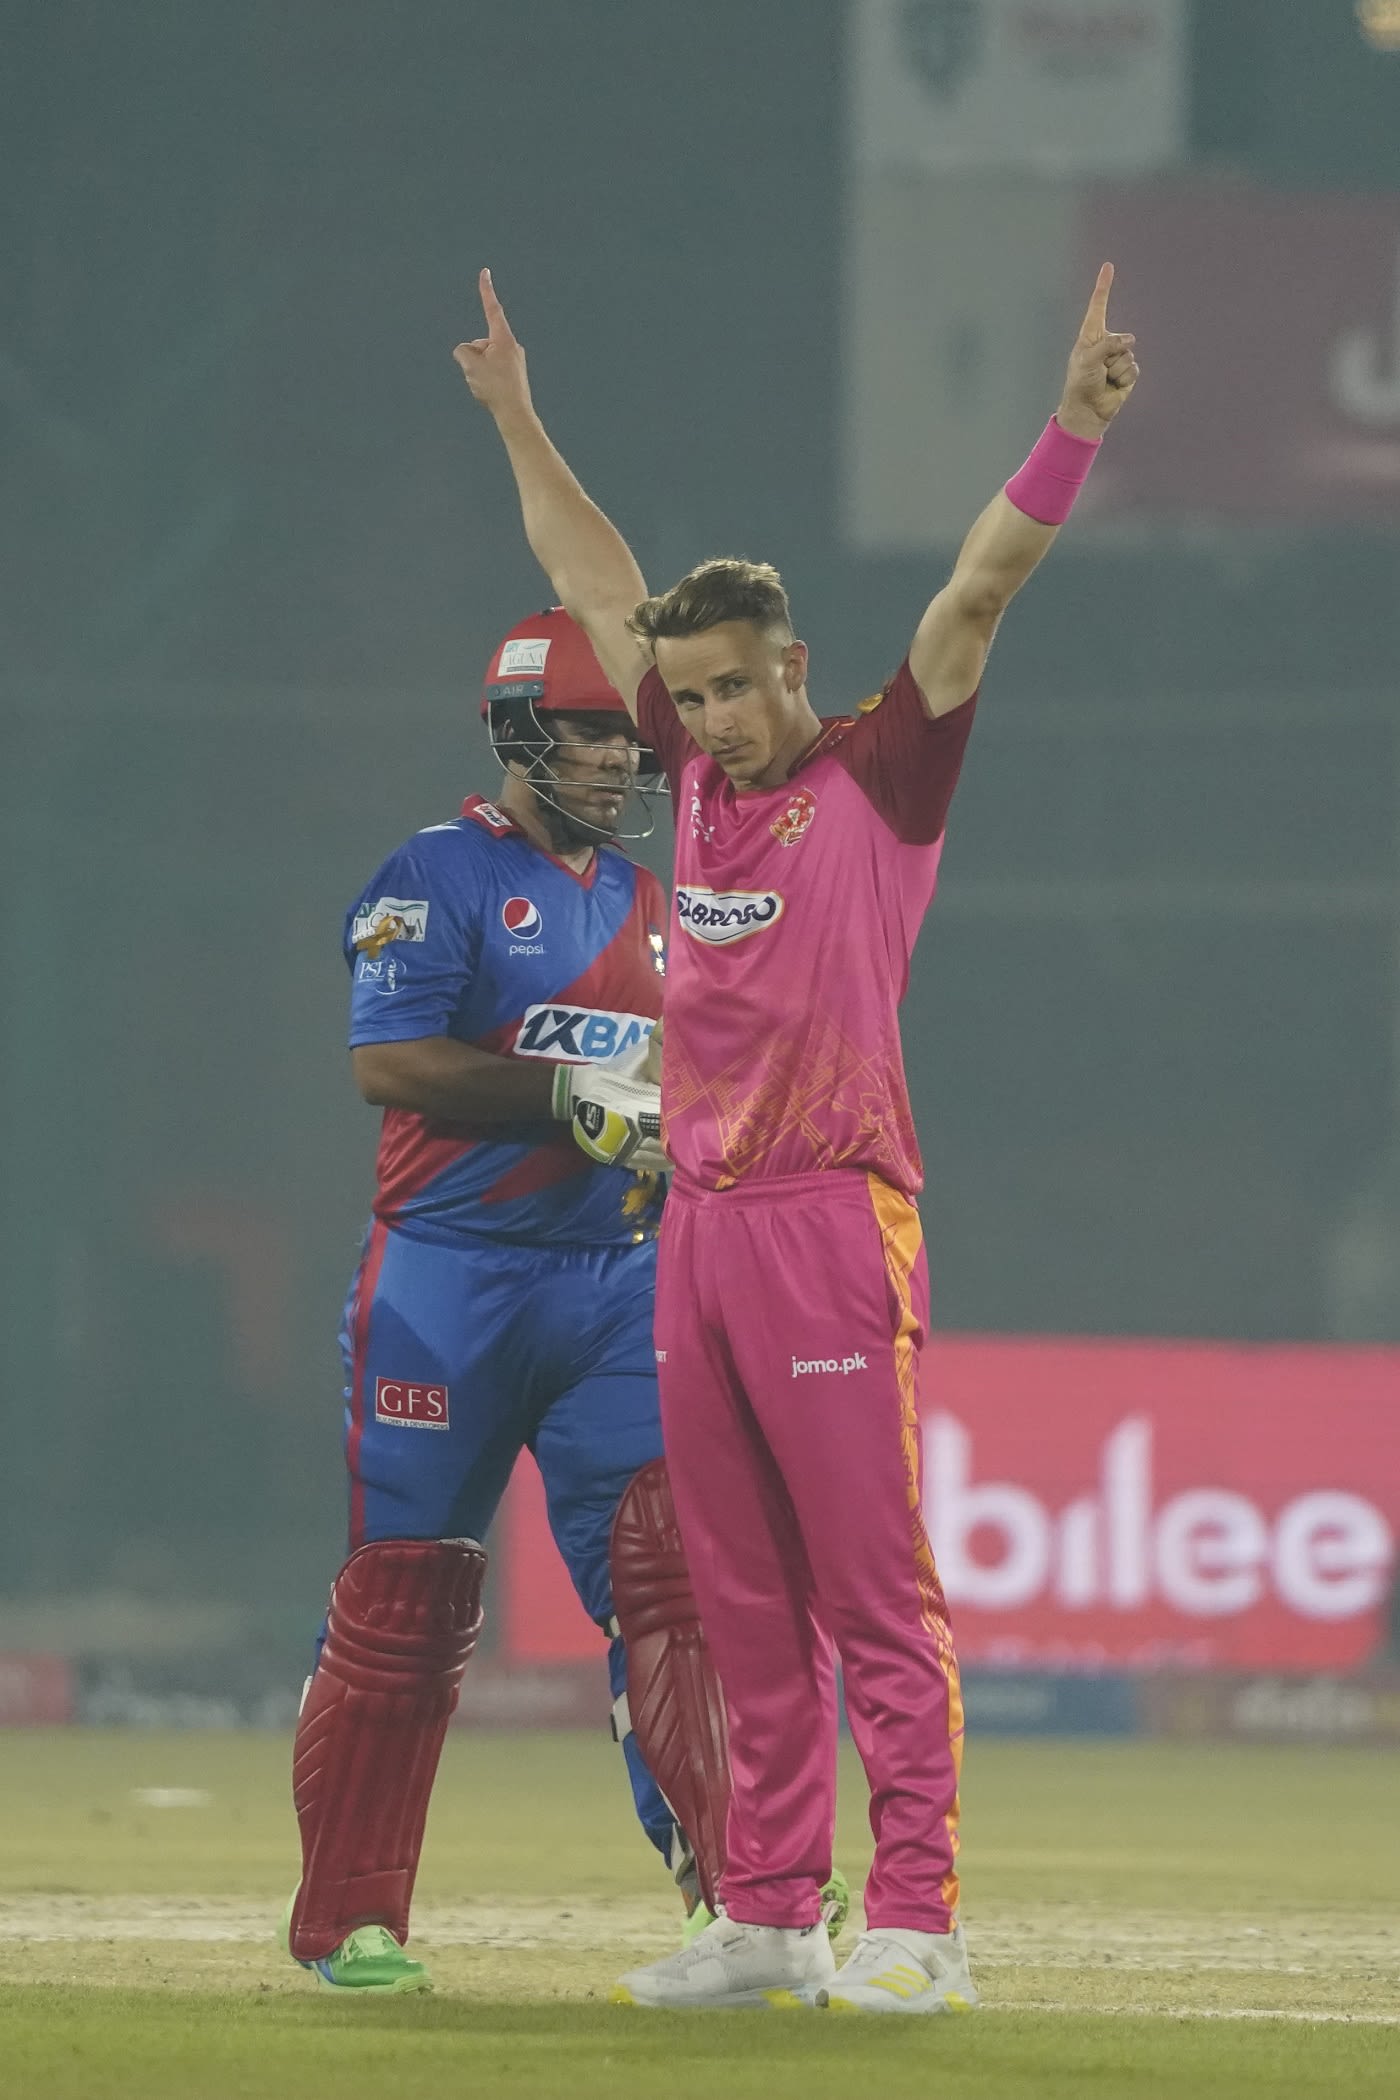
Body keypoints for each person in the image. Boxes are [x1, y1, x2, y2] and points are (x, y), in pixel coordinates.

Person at [455, 263, 1139, 2013]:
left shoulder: (881, 772)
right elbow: (588, 573)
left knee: (874, 1591)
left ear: (793, 671)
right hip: (696, 1224)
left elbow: (978, 590)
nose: (708, 719)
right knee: (740, 1597)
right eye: (686, 695)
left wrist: (1069, 430)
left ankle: (920, 1924)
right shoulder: (691, 777)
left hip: (835, 1217)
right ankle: (768, 1916)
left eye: (736, 689)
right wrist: (519, 416)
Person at [283, 609, 747, 1993]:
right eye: (590, 734)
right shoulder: (438, 873)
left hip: (616, 1283)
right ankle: (351, 1922)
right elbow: (388, 1064)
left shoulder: (652, 901)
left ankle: (743, 1897)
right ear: (519, 733)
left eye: (625, 739)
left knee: (678, 1583)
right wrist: (564, 1095)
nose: (617, 760)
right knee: (405, 1603)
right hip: (447, 1280)